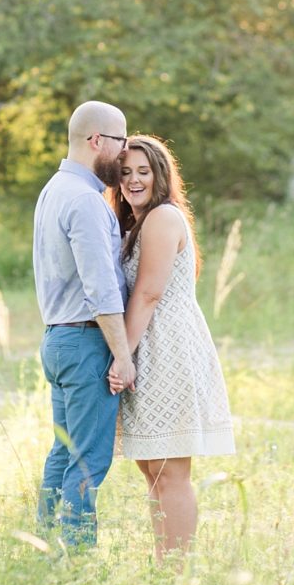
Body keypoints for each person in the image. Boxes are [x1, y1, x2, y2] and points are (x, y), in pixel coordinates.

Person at [107, 134, 235, 561]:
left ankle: (178, 574)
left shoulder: (162, 217)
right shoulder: (135, 222)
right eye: (126, 172)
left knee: (170, 472)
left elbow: (149, 293)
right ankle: (165, 569)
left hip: (167, 349)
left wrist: (121, 354)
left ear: (160, 175)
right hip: (147, 344)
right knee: (153, 471)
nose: (134, 180)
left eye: (143, 171)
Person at [33, 100, 136, 546]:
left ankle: (45, 550)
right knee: (88, 462)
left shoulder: (54, 189)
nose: (126, 151)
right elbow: (101, 289)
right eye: (121, 140)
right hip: (85, 344)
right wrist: (123, 356)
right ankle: (75, 563)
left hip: (58, 339)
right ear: (97, 141)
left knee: (65, 453)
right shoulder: (85, 201)